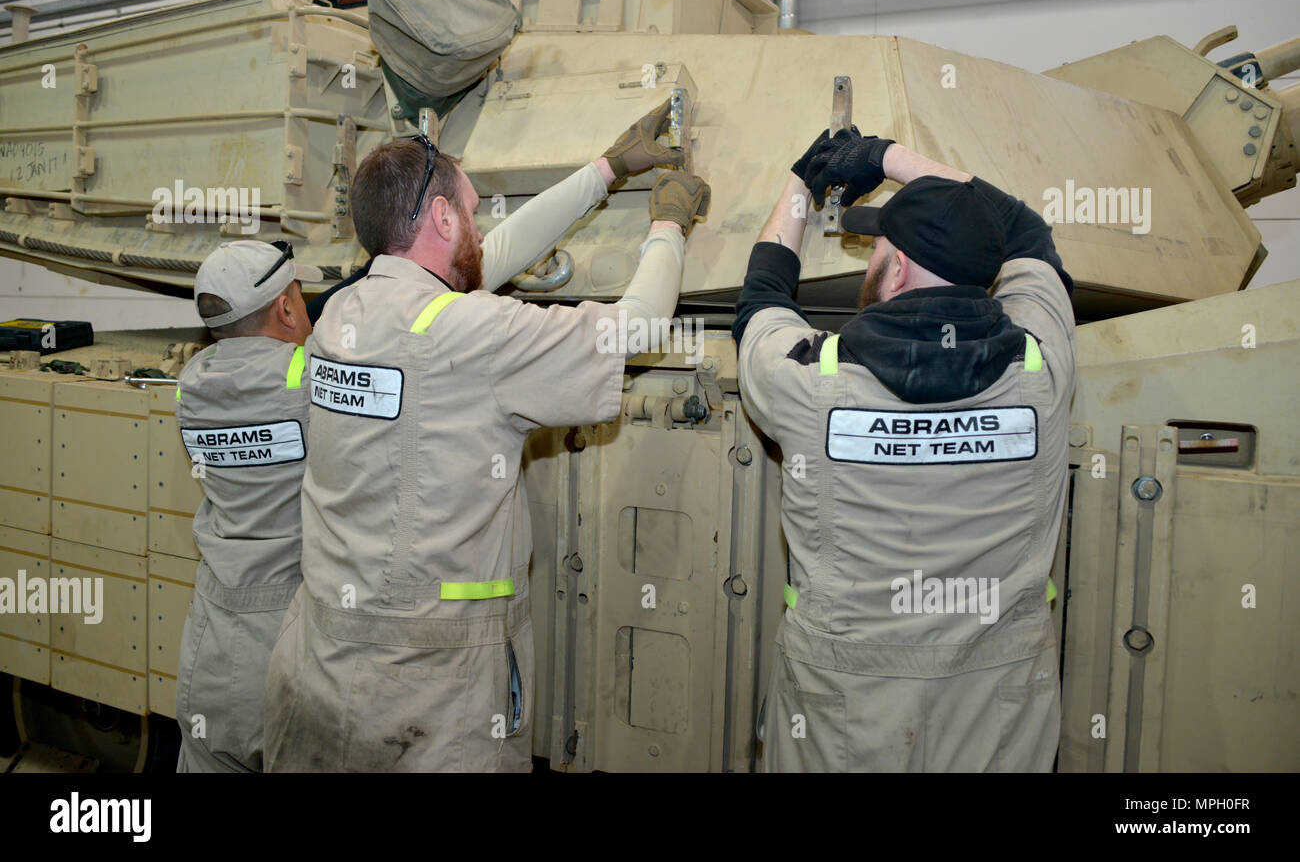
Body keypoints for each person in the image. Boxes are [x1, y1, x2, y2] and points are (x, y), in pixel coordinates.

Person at [264, 103, 711, 771]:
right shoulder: (477, 335)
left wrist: (605, 171)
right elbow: (637, 324)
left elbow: (485, 259)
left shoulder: (342, 318)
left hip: (320, 661)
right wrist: (669, 223)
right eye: (471, 211)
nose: (480, 226)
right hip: (432, 686)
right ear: (443, 219)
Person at [733, 129, 1076, 771]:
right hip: (998, 698)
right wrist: (890, 159)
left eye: (876, 250)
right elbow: (1026, 230)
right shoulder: (1043, 368)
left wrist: (802, 186)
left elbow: (761, 299)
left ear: (896, 268)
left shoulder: (810, 382)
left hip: (845, 701)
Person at [173, 239, 321, 771]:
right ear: (285, 307)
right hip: (285, 639)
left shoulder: (190, 387)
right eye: (301, 299)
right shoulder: (311, 380)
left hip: (209, 635)